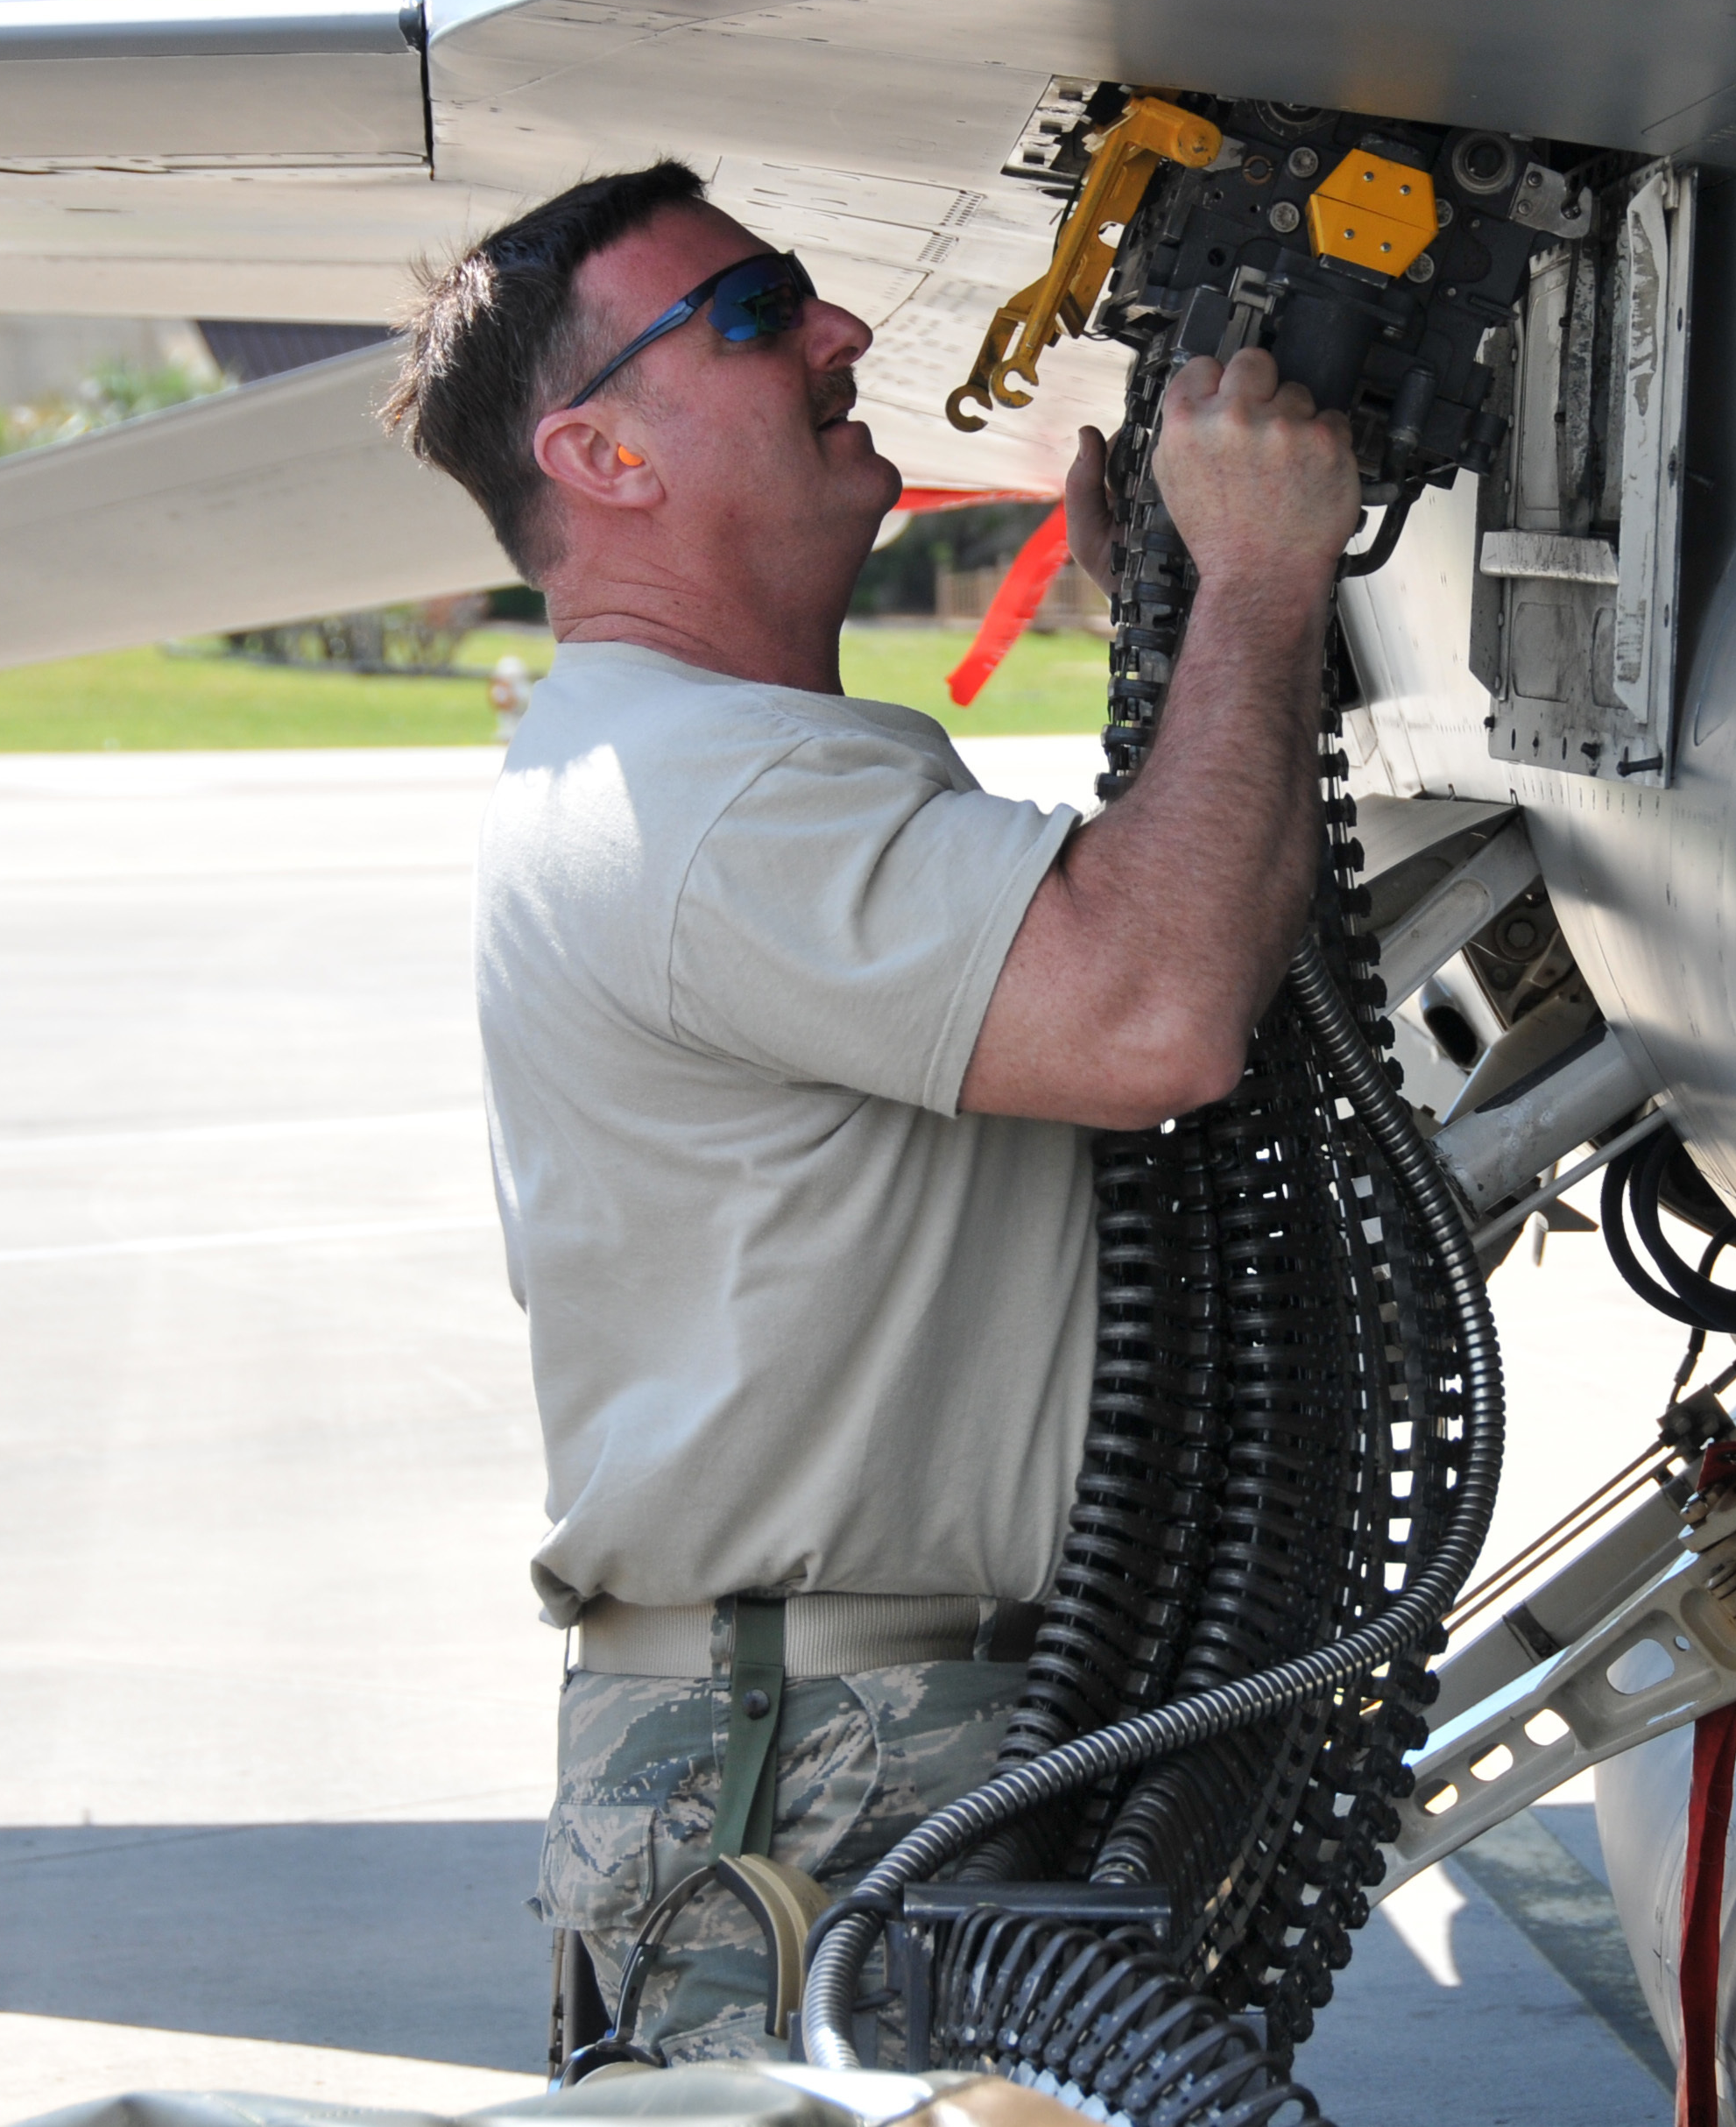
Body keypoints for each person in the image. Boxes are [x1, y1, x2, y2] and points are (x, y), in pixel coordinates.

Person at [382, 161, 1358, 2064]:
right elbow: (1153, 1012)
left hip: (894, 1742)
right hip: (836, 1787)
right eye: (754, 321)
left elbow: (1130, 967)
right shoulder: (705, 801)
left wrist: (1176, 631)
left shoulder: (683, 768)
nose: (839, 336)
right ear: (605, 458)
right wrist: (1252, 578)